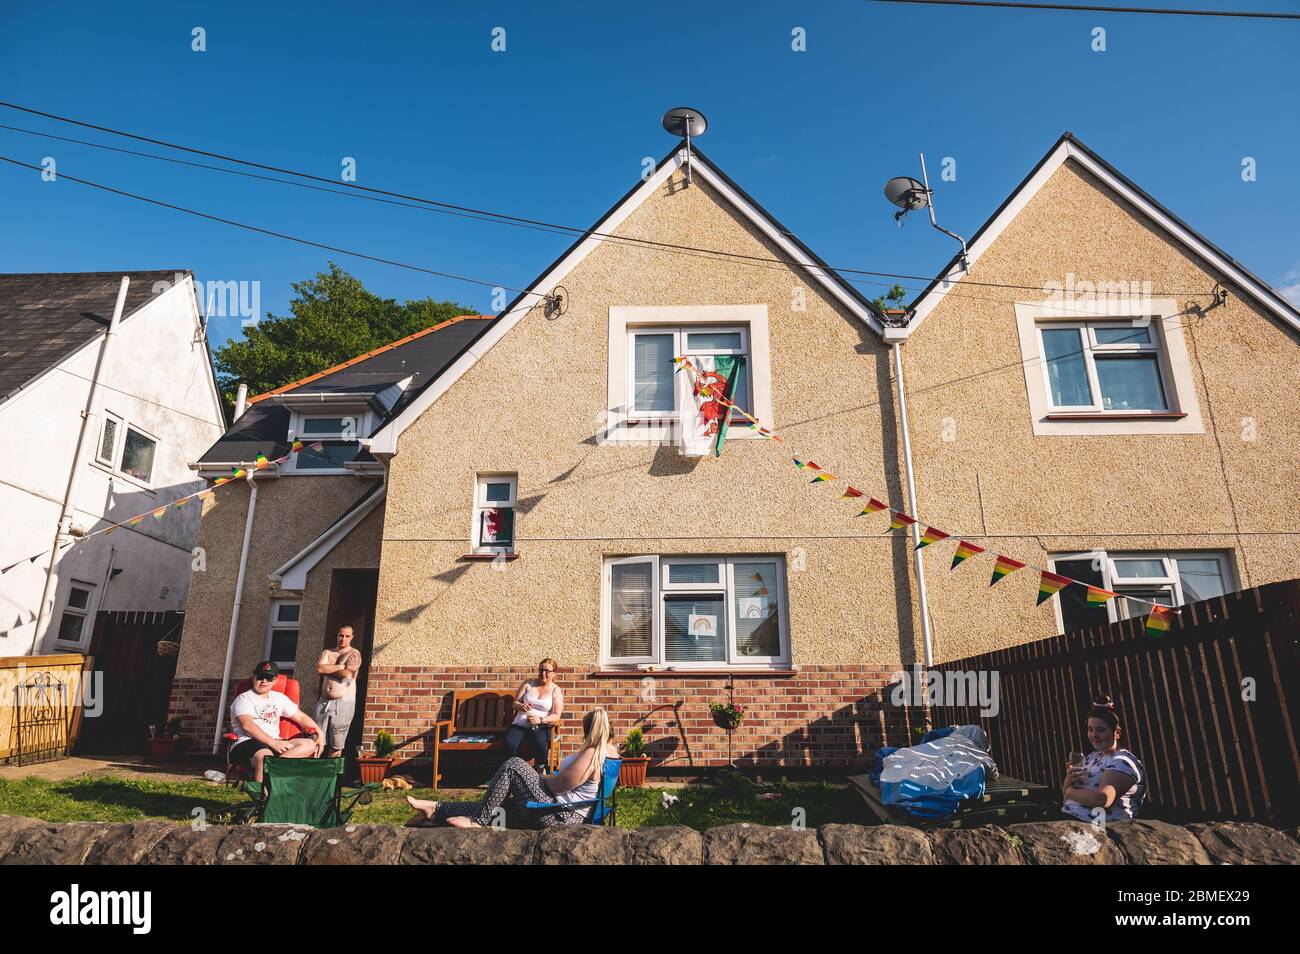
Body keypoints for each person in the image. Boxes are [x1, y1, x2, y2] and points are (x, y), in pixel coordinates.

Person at [405, 707, 617, 828]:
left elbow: (559, 786)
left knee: (514, 765)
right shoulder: (611, 752)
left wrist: (537, 778)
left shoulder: (592, 754)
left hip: (559, 815)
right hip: (562, 812)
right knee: (501, 808)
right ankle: (436, 809)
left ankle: (478, 821)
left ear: (589, 730)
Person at [228, 661, 324, 783]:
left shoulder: (278, 698)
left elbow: (300, 717)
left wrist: (320, 733)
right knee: (265, 757)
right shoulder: (244, 698)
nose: (264, 681)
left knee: (309, 744)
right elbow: (248, 726)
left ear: (274, 681)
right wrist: (273, 743)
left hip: (275, 742)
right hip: (246, 742)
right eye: (260, 677)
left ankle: (275, 768)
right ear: (253, 678)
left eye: (268, 678)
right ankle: (262, 798)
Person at [1061, 694, 1147, 823]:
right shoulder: (1092, 757)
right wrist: (1069, 780)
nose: (1094, 735)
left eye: (1100, 730)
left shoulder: (1123, 761)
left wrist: (1070, 791)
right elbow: (1066, 796)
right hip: (1070, 818)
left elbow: (1101, 800)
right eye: (1090, 730)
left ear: (1116, 733)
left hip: (1098, 827)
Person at [503, 658, 563, 769]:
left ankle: (541, 768)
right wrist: (521, 706)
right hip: (520, 723)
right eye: (541, 670)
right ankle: (513, 770)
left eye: (547, 671)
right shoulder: (528, 683)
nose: (543, 673)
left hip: (540, 725)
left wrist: (540, 719)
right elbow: (514, 703)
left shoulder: (555, 690)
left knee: (539, 741)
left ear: (553, 673)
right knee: (509, 743)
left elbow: (556, 714)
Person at [314, 625, 361, 758]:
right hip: (324, 702)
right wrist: (339, 666)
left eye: (347, 636)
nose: (343, 639)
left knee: (336, 743)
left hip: (343, 703)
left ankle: (330, 774)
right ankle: (313, 772)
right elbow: (319, 669)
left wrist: (328, 668)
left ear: (352, 637)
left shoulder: (353, 653)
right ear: (337, 635)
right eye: (341, 635)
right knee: (315, 738)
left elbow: (347, 674)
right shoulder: (328, 652)